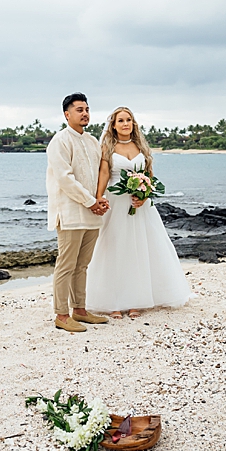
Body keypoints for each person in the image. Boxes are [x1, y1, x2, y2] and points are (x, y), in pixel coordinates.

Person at [84, 107, 192, 319]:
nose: (125, 124)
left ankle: (135, 301)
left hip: (140, 206)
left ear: (133, 124)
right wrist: (98, 197)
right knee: (113, 249)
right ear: (113, 126)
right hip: (115, 203)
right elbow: (104, 173)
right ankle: (113, 302)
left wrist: (144, 196)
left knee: (139, 249)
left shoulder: (140, 146)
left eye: (129, 120)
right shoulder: (106, 147)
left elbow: (148, 175)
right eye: (121, 120)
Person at [46, 93, 111, 333]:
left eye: (87, 109)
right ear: (67, 114)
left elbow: (97, 175)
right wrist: (90, 201)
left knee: (82, 265)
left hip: (92, 212)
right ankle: (61, 315)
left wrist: (100, 199)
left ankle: (80, 310)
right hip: (70, 212)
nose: (84, 113)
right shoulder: (60, 141)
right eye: (79, 110)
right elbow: (65, 179)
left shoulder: (92, 141)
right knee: (66, 265)